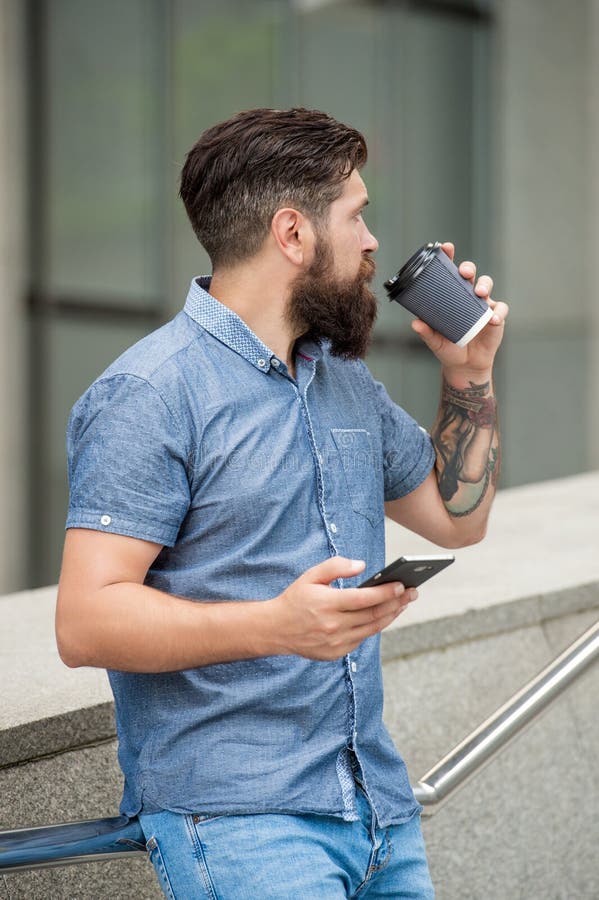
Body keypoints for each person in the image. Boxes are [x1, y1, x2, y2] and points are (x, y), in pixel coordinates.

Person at [56, 107, 508, 899]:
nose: (371, 241)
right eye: (356, 216)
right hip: (242, 825)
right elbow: (84, 621)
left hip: (376, 808)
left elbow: (456, 520)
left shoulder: (341, 377)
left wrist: (468, 374)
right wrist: (276, 625)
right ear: (293, 233)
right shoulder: (148, 394)